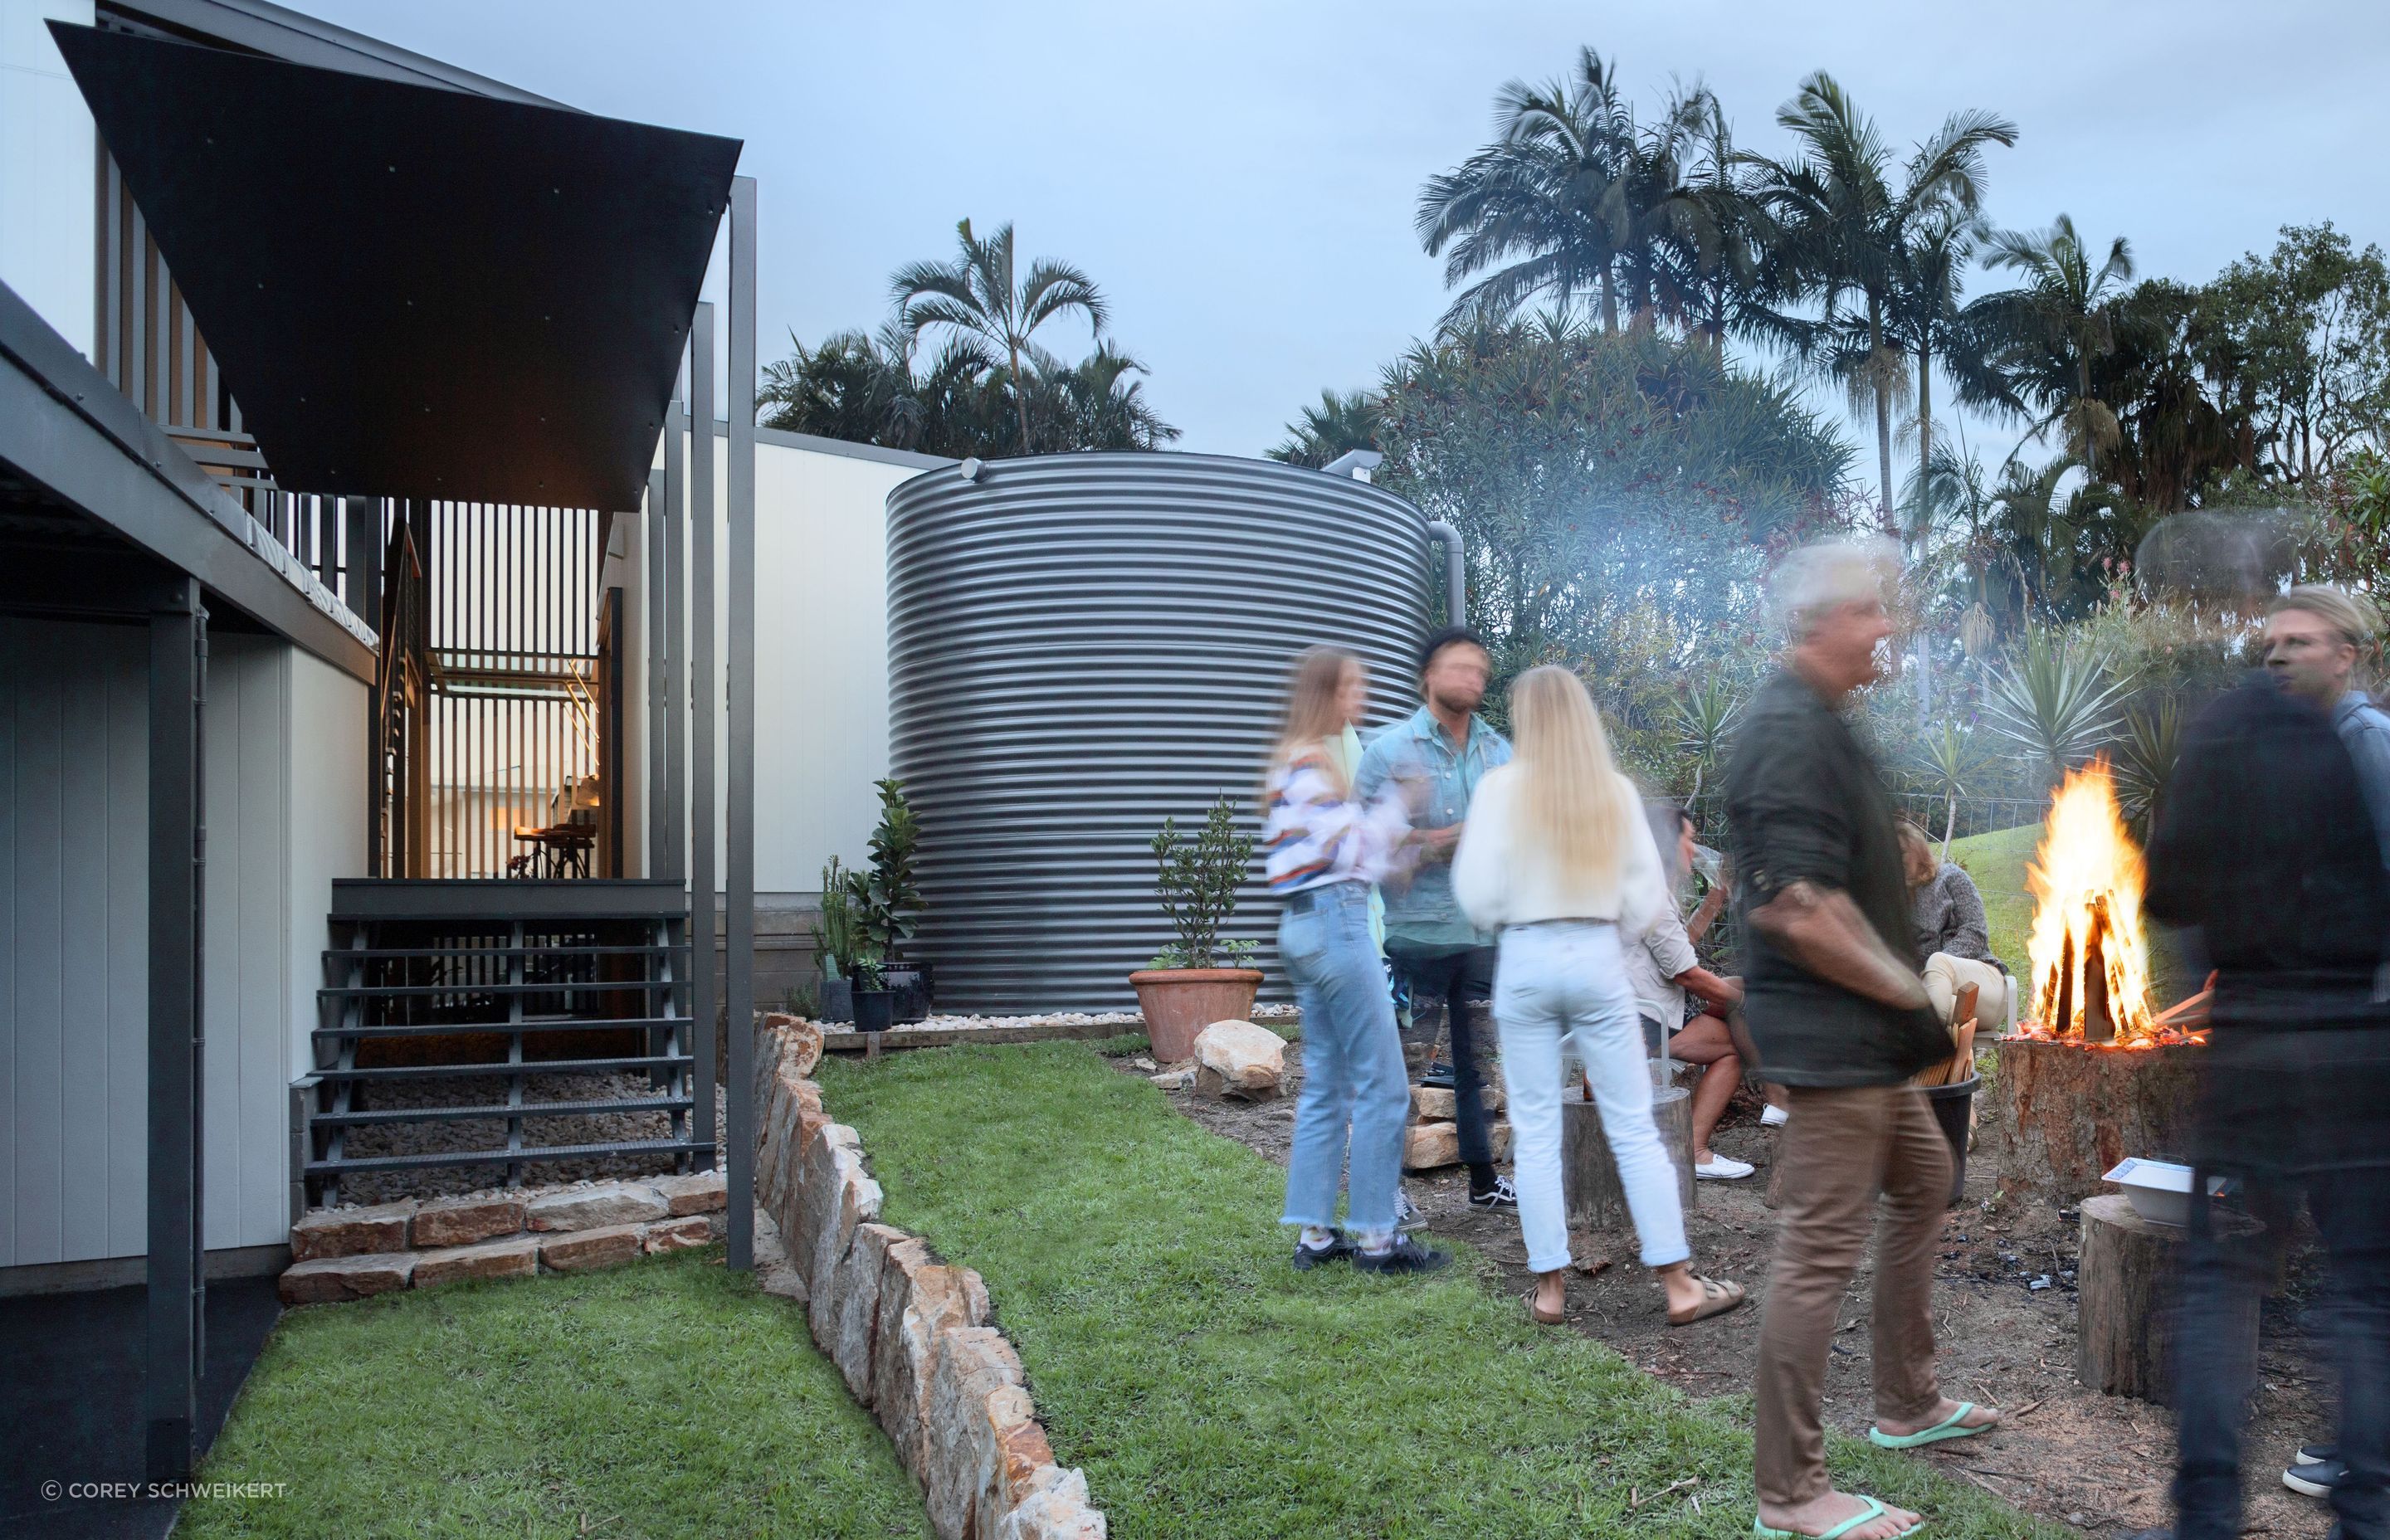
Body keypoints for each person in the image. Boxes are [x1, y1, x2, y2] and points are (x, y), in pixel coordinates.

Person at [1726, 540, 2001, 1540]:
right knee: (1816, 1251)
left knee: (1927, 1181)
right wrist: (1906, 991)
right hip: (1837, 1039)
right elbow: (1797, 909)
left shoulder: (1828, 723)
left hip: (1868, 1041)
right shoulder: (1786, 730)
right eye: (1870, 611)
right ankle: (1790, 1492)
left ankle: (1905, 1402)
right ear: (1818, 623)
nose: (1887, 628)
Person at [2142, 660, 2390, 1540]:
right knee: (2361, 1291)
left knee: (2216, 1276)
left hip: (2252, 1052)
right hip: (2355, 1050)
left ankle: (2205, 1516)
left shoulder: (2216, 733)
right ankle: (2369, 1515)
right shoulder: (2333, 739)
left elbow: (2166, 892)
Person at [1453, 665, 1744, 1329]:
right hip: (1594, 955)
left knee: (1536, 1130)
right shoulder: (1611, 792)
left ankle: (1551, 1291)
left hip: (1524, 957)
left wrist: (1521, 912)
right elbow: (1646, 901)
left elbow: (1473, 893)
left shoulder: (1499, 789)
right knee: (1633, 1126)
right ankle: (1678, 1284)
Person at [2246, 584, 2390, 1509]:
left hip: (2367, 1031)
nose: (2277, 656)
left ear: (2347, 652)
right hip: (2334, 1025)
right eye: (2270, 643)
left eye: (2300, 641)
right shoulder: (2305, 744)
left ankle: (2365, 1453)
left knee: (2361, 1244)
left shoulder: (2364, 742)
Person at [1264, 646, 1449, 1276]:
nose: (1359, 699)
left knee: (1326, 1085)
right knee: (1385, 1084)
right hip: (1338, 926)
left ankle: (1316, 1236)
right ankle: (1377, 1240)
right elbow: (1350, 850)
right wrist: (1401, 804)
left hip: (1303, 927)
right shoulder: (1312, 764)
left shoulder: (1289, 764)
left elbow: (1344, 856)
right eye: (1350, 688)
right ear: (1326, 694)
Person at [1356, 626, 1518, 1211]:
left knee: (1477, 1066)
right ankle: (1386, 1189)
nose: (1471, 677)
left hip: (1481, 936)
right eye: (1458, 667)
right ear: (1428, 675)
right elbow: (1364, 852)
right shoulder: (1389, 752)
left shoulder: (1501, 753)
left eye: (1479, 668)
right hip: (1415, 939)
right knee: (1401, 1071)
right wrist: (1438, 841)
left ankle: (1482, 1183)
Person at [1628, 801, 1753, 1179]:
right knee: (1734, 1041)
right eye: (1689, 840)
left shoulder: (1642, 885)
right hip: (1640, 1020)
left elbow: (1678, 947)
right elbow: (1686, 974)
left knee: (1740, 997)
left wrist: (1714, 899)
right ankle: (1694, 1152)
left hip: (1643, 1009)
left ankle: (1778, 1102)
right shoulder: (1648, 892)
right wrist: (1743, 1001)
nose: (1695, 851)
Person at [1899, 820, 2010, 1060]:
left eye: (1901, 853)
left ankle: (1926, 1049)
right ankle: (1947, 1083)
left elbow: (1976, 932)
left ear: (1917, 850)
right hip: (1938, 997)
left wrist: (1936, 966)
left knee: (1938, 963)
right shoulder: (1895, 901)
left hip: (1981, 984)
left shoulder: (1949, 877)